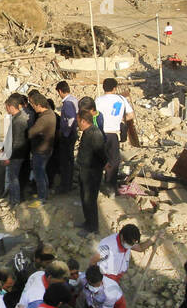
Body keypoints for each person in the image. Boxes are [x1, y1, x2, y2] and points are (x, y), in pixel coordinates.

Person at [96, 78, 136, 195]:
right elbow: (131, 115)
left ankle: (97, 185)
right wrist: (119, 119)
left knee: (99, 160)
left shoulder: (98, 100)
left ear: (103, 88)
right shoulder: (121, 99)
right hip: (113, 135)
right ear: (114, 88)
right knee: (114, 162)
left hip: (100, 134)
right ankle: (111, 188)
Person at [75, 98, 106, 233]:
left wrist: (102, 166)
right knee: (85, 198)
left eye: (78, 122)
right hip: (84, 171)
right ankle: (87, 222)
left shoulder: (95, 133)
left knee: (90, 200)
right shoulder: (88, 132)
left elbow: (101, 154)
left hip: (92, 173)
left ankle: (93, 228)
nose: (77, 125)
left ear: (83, 120)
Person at [1, 93, 31, 208]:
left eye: (6, 107)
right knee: (14, 177)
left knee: (13, 178)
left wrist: (9, 157)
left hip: (17, 155)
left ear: (11, 107)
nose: (5, 109)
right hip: (18, 154)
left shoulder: (19, 121)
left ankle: (15, 201)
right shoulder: (17, 118)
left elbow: (17, 142)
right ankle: (14, 199)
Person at [27, 91, 55, 202]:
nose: (32, 107)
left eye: (33, 105)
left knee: (39, 174)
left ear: (38, 105)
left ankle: (42, 197)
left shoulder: (44, 118)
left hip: (41, 150)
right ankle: (44, 192)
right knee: (42, 172)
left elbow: (31, 133)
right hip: (47, 149)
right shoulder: (50, 113)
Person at [55, 81, 78, 195]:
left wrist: (66, 133)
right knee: (69, 160)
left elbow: (71, 118)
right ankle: (68, 183)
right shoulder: (74, 100)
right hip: (72, 133)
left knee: (65, 161)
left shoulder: (68, 103)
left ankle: (65, 185)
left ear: (60, 91)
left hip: (68, 135)